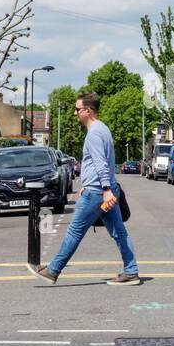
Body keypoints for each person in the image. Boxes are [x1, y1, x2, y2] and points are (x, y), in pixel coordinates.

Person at [28, 91, 140, 285]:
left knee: (74, 231)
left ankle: (53, 270)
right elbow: (100, 163)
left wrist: (104, 189)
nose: (75, 113)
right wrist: (96, 186)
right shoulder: (103, 129)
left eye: (78, 109)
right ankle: (131, 271)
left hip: (98, 193)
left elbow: (100, 163)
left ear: (88, 111)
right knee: (119, 233)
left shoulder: (94, 134)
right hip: (103, 190)